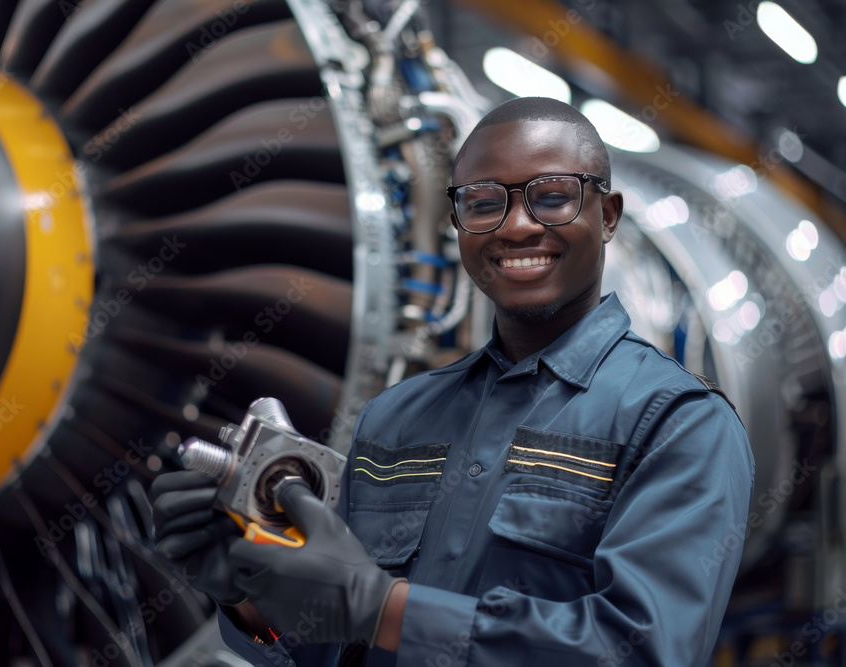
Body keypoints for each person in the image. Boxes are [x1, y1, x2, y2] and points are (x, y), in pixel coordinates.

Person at [152, 96, 755, 666]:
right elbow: (335, 644)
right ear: (458, 223)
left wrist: (385, 609)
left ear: (609, 216)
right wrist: (247, 598)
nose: (516, 227)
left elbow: (644, 651)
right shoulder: (394, 418)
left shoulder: (679, 424)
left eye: (552, 197)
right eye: (484, 202)